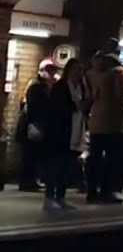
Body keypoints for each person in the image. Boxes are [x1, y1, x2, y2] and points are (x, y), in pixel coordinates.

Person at [87, 43, 123, 204]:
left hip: (95, 122)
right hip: (113, 123)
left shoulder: (92, 74)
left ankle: (92, 191)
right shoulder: (120, 73)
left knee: (94, 158)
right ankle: (108, 191)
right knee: (112, 159)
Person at [44, 58, 88, 209]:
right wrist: (74, 107)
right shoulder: (61, 87)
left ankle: (60, 196)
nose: (78, 73)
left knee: (66, 166)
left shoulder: (81, 88)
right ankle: (50, 197)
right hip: (60, 132)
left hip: (76, 130)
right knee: (55, 165)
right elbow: (56, 109)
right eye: (75, 70)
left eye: (80, 70)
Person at [16, 60, 59, 192]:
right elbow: (36, 106)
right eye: (51, 72)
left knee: (34, 155)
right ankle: (26, 181)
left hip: (35, 124)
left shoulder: (42, 85)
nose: (53, 75)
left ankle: (31, 180)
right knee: (29, 155)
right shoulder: (36, 86)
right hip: (32, 124)